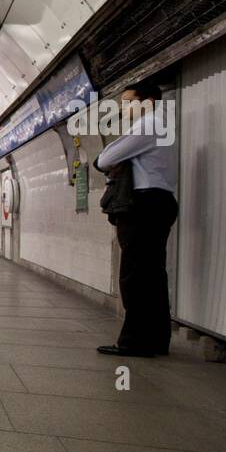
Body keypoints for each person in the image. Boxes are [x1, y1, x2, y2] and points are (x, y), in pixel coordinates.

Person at [93, 79, 178, 357]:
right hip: (159, 201)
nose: (124, 108)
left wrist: (103, 157)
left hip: (143, 204)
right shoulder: (164, 124)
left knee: (135, 274)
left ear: (148, 101)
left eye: (129, 102)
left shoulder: (149, 123)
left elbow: (106, 159)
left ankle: (134, 341)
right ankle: (156, 339)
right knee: (153, 274)